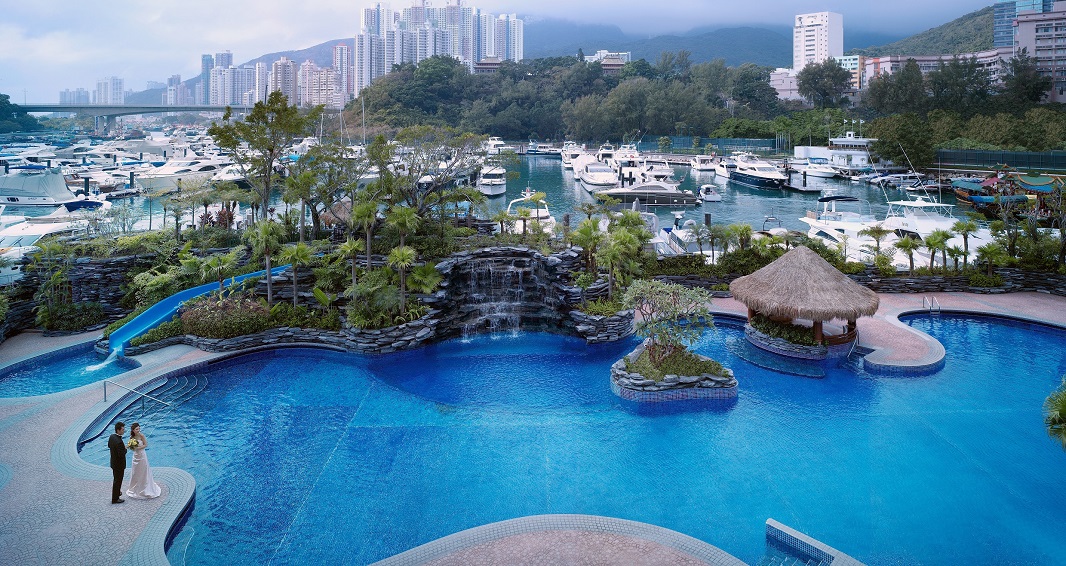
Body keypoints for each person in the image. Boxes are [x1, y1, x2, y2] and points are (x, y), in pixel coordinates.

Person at [125, 422, 161, 500]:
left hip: (142, 455)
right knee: (135, 472)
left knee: (143, 471)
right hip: (135, 456)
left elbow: (145, 445)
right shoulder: (132, 437)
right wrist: (129, 447)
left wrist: (138, 448)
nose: (138, 430)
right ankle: (135, 488)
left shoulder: (141, 435)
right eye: (136, 429)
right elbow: (130, 445)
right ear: (133, 430)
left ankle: (145, 488)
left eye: (139, 428)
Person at [108, 421, 127, 504]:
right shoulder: (119, 442)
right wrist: (125, 449)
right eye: (122, 429)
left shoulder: (112, 437)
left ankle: (117, 492)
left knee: (116, 479)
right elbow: (121, 454)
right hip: (119, 465)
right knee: (118, 481)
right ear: (118, 430)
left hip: (113, 463)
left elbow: (109, 446)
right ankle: (115, 498)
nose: (124, 431)